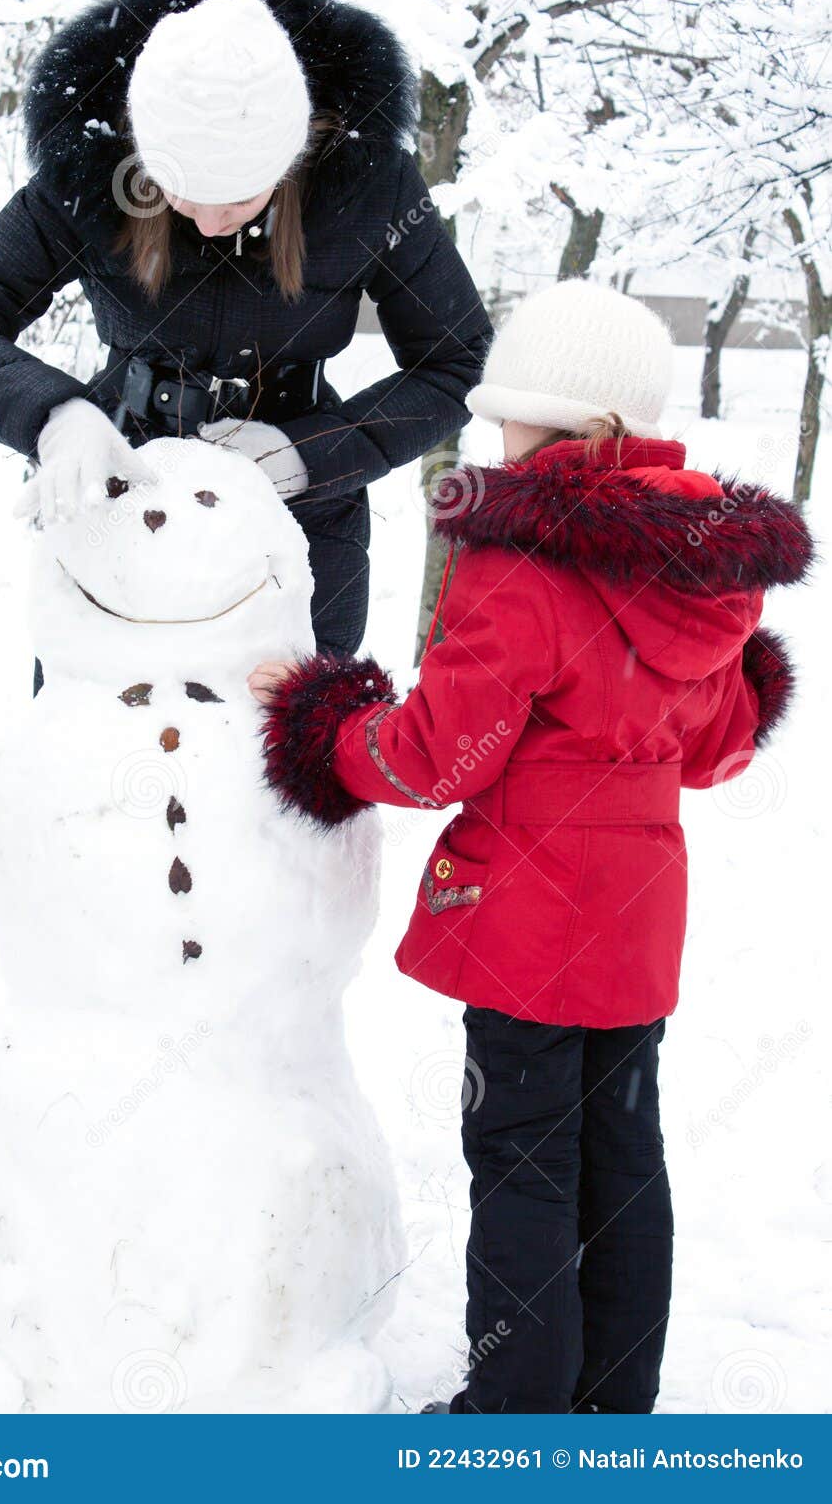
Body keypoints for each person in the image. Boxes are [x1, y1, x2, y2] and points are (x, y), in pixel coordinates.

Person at [251, 280, 812, 1414]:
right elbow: (713, 746)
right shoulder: (701, 573)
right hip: (640, 912)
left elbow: (435, 758)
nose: (490, 434)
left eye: (510, 413)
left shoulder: (520, 560)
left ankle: (513, 1411)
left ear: (577, 427)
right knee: (620, 1158)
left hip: (527, 923)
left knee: (519, 1157)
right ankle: (611, 1396)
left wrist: (322, 719)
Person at [0, 0, 492, 666]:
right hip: (119, 505)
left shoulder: (370, 185)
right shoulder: (87, 172)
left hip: (299, 529)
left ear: (293, 152)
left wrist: (314, 456)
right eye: (181, 191)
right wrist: (56, 417)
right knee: (95, 751)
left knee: (284, 760)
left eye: (240, 198)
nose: (209, 223)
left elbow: (460, 360)